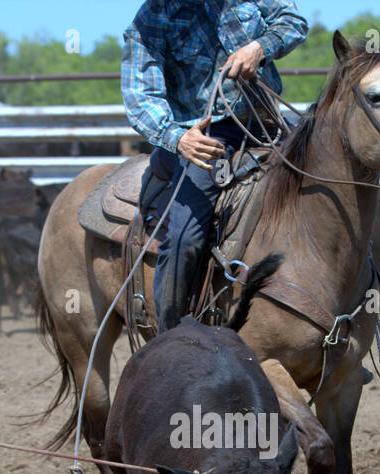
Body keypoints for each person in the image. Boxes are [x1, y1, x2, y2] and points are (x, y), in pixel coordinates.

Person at [122, 0, 308, 331]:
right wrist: (177, 138)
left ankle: (345, 326)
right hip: (205, 137)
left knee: (330, 181)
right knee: (186, 236)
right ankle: (172, 339)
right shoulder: (151, 18)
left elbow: (292, 21)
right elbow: (140, 97)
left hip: (269, 122)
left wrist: (259, 47)